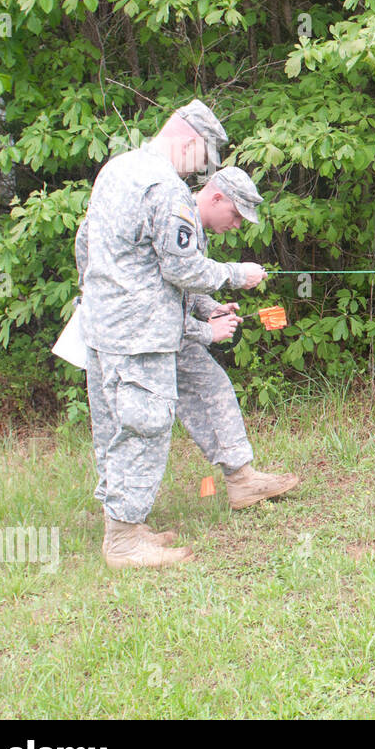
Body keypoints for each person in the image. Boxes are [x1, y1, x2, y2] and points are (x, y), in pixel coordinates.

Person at [75, 99, 266, 569]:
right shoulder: (166, 187)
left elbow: (85, 244)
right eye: (204, 157)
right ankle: (122, 541)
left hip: (103, 327)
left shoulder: (116, 170)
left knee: (118, 425)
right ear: (188, 139)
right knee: (144, 424)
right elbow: (181, 267)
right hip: (141, 335)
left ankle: (129, 525)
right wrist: (236, 274)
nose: (202, 169)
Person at [176, 165, 300, 509]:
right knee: (142, 426)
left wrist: (210, 308)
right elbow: (157, 302)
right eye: (236, 214)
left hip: (172, 333)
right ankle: (125, 525)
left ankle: (242, 480)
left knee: (213, 386)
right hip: (143, 340)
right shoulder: (175, 217)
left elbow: (183, 287)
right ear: (216, 197)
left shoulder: (193, 227)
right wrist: (207, 331)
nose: (237, 224)